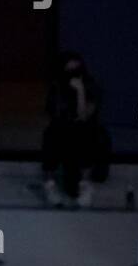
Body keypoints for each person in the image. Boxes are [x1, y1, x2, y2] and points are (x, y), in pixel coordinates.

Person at [41, 52, 110, 208]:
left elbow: (84, 116)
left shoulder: (92, 87)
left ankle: (85, 185)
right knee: (50, 134)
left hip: (86, 132)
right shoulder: (57, 88)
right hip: (64, 134)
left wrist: (80, 92)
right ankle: (49, 185)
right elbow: (54, 115)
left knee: (85, 132)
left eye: (76, 70)